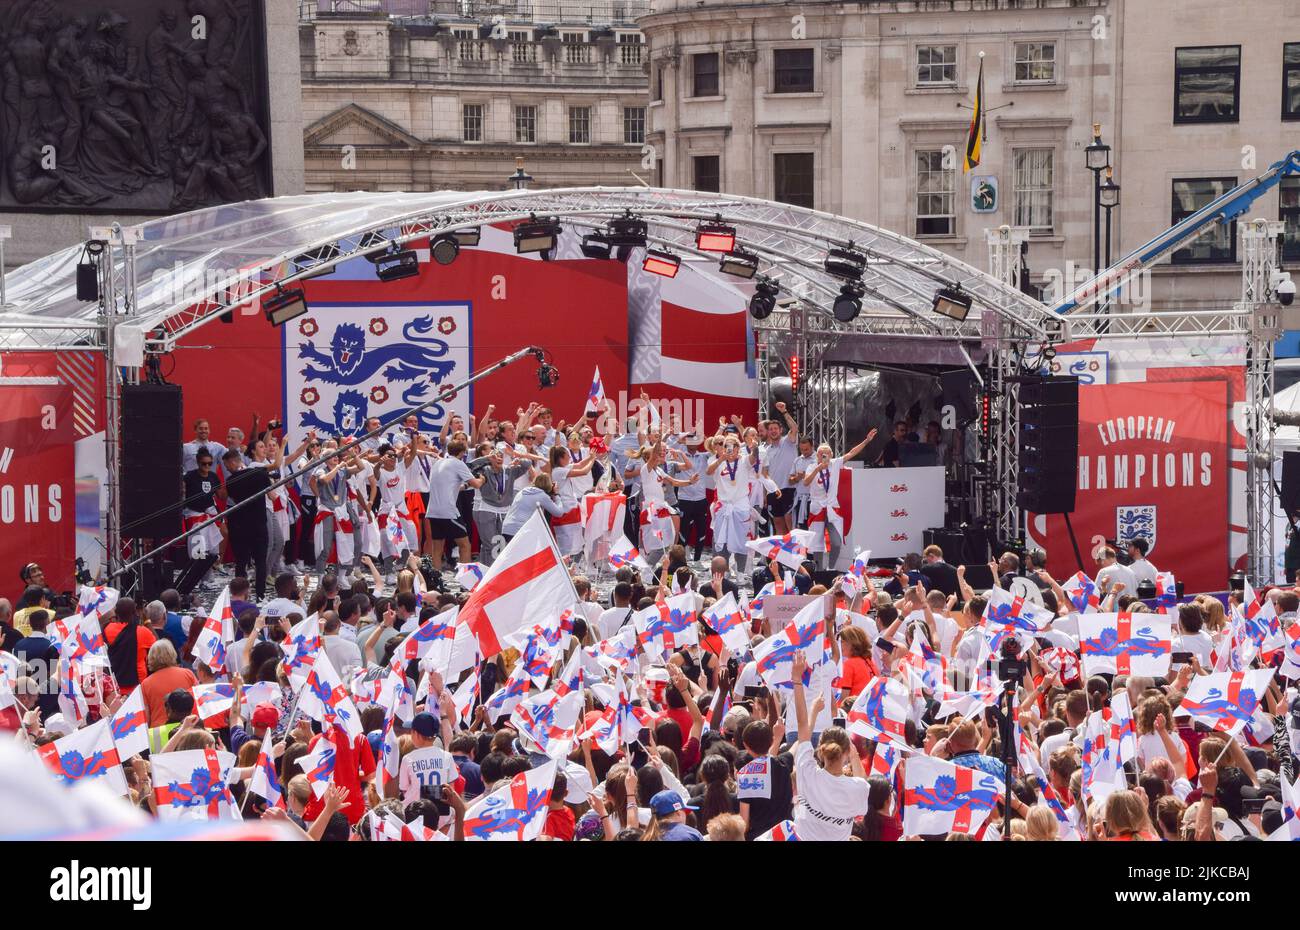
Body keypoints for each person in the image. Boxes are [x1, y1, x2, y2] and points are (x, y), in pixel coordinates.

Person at [789, 653, 870, 841]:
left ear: (820, 750)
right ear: (847, 752)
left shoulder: (807, 772)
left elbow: (802, 727)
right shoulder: (857, 787)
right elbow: (863, 781)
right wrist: (854, 756)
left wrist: (797, 680)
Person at [804, 431, 877, 569]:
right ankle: (819, 571)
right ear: (817, 455)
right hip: (817, 509)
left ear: (831, 455)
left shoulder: (835, 463)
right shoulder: (811, 466)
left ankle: (830, 569)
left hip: (832, 509)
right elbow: (806, 482)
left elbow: (852, 452)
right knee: (817, 545)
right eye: (821, 454)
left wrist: (866, 441)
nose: (824, 456)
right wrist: (818, 469)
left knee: (836, 543)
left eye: (826, 454)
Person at [223, 448, 273, 599]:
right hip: (259, 524)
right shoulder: (260, 474)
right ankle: (260, 595)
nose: (227, 469)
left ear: (233, 462)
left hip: (241, 526)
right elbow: (271, 494)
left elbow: (235, 498)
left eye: (226, 466)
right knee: (261, 561)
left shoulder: (231, 481)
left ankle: (239, 595)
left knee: (241, 562)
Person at [760, 402, 800, 536]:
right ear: (768, 432)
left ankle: (794, 550)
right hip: (773, 492)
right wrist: (765, 495)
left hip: (789, 489)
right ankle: (781, 550)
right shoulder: (766, 451)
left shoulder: (788, 441)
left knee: (791, 526)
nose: (773, 431)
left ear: (780, 430)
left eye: (775, 428)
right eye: (770, 429)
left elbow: (794, 428)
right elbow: (765, 474)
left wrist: (784, 412)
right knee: (778, 527)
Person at [139, 639, 199, 726]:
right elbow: (199, 702)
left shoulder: (146, 684)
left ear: (150, 658)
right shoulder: (188, 674)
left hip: (159, 730)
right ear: (172, 654)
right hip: (188, 725)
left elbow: (146, 717)